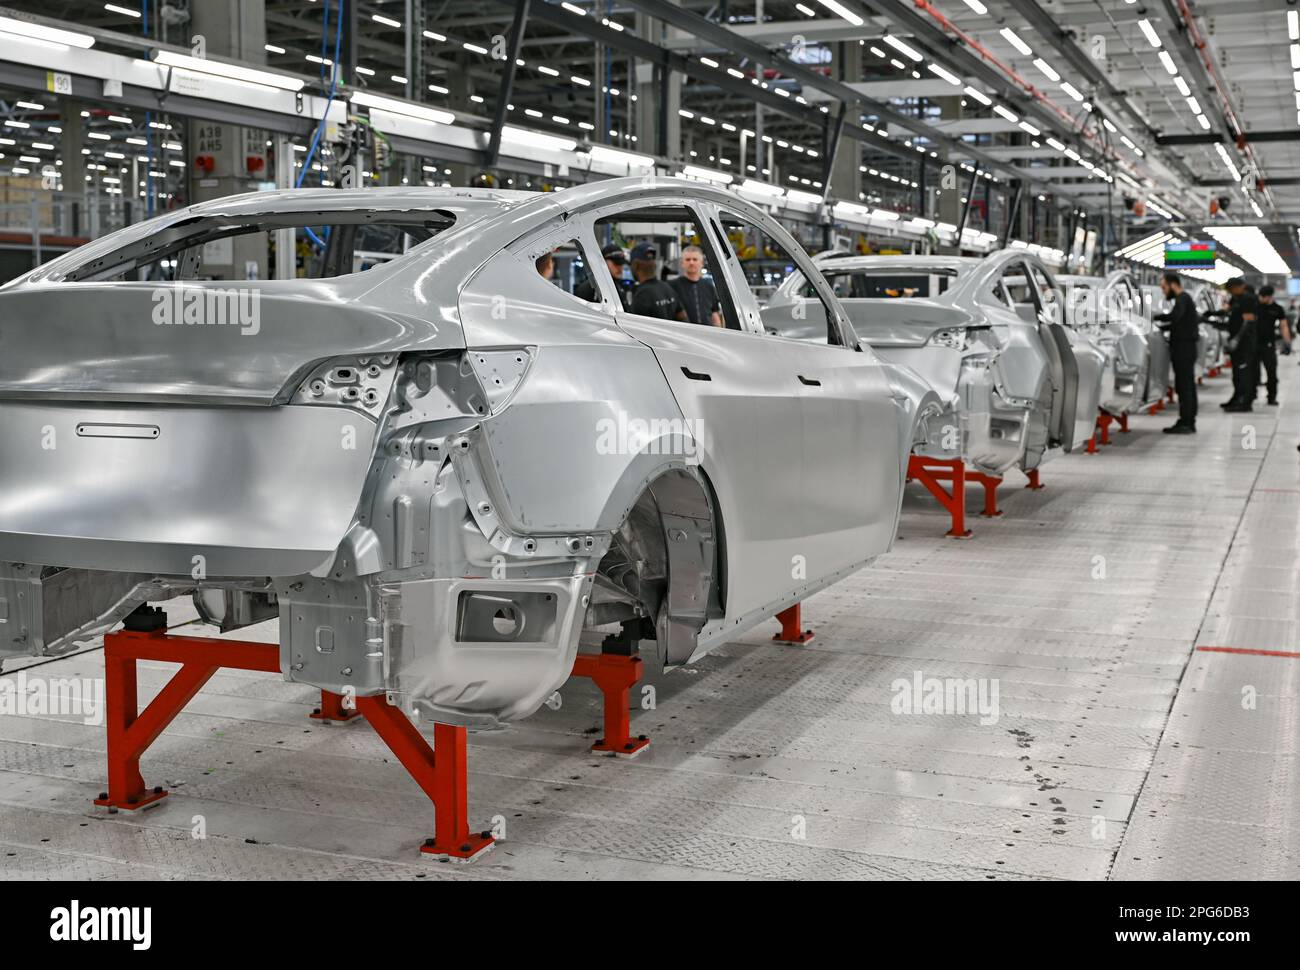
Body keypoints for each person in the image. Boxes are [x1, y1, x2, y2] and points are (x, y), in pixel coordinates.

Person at [1152, 272, 1199, 434]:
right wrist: (1159, 328)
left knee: (1185, 386)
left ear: (1173, 284)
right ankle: (1186, 420)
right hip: (1185, 348)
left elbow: (1175, 317)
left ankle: (1186, 422)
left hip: (1184, 349)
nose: (1164, 291)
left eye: (1164, 287)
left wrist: (1155, 317)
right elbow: (1177, 324)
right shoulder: (1184, 299)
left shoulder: (1183, 299)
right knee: (1185, 385)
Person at [1204, 278, 1258, 412]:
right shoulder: (1236, 298)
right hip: (1236, 342)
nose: (1231, 292)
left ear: (1239, 287)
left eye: (1232, 289)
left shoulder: (1248, 299)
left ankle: (1245, 403)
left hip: (1245, 343)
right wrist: (1210, 314)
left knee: (1244, 372)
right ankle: (1236, 398)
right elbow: (1226, 311)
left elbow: (1248, 322)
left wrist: (1236, 339)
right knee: (1237, 373)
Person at [627, 242, 687, 321]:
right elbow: (683, 317)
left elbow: (637, 330)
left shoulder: (641, 296)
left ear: (635, 265)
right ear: (655, 265)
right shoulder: (667, 288)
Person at [669, 245, 724, 327]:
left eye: (695, 259)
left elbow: (714, 313)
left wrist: (719, 332)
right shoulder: (672, 286)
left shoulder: (709, 286)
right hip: (682, 334)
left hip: (707, 335)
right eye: (688, 259)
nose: (691, 262)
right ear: (682, 263)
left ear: (701, 263)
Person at [1256, 285, 1288, 404]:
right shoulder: (1255, 306)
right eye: (1261, 296)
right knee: (1251, 372)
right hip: (1253, 344)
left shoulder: (1277, 309)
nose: (1262, 299)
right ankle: (1250, 395)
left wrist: (1287, 343)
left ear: (1270, 297)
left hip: (1268, 344)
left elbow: (1283, 326)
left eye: (1264, 297)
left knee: (1271, 371)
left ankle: (1272, 396)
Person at [575, 244, 633, 309]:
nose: (620, 268)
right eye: (616, 264)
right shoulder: (589, 289)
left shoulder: (618, 286)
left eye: (621, 264)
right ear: (603, 262)